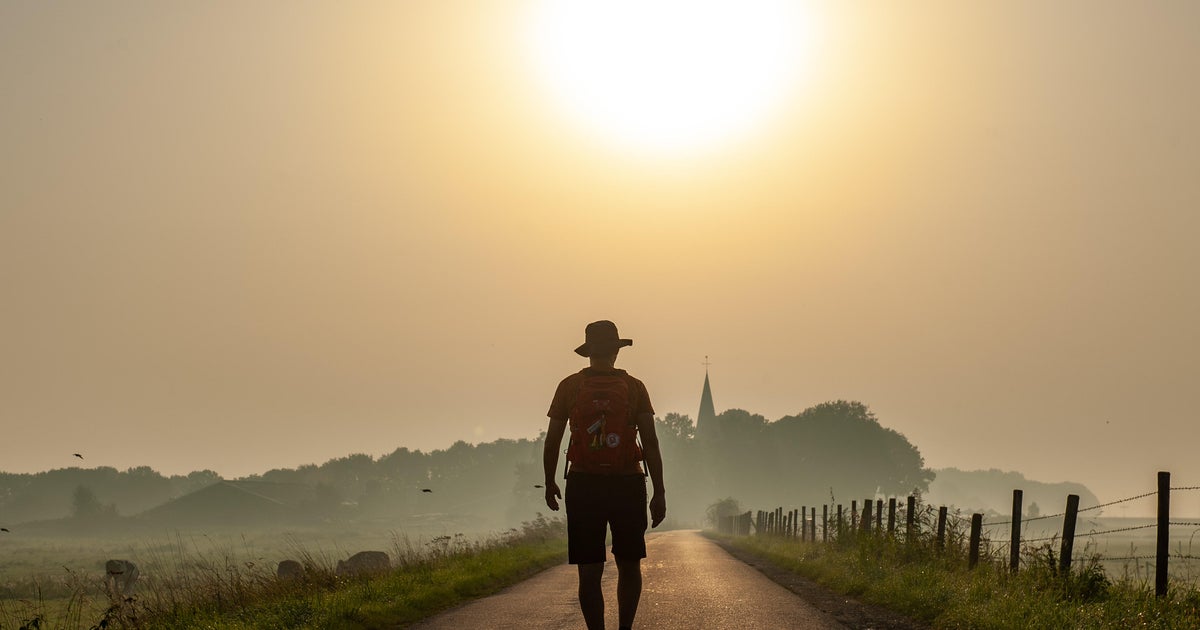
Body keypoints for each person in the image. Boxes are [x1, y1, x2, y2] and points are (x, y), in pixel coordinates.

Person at [544, 320, 666, 630]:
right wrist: (659, 492)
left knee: (589, 571)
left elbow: (553, 438)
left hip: (584, 484)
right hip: (628, 482)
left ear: (588, 352)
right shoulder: (635, 387)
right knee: (628, 565)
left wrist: (549, 481)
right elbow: (650, 441)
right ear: (615, 351)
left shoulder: (569, 386)